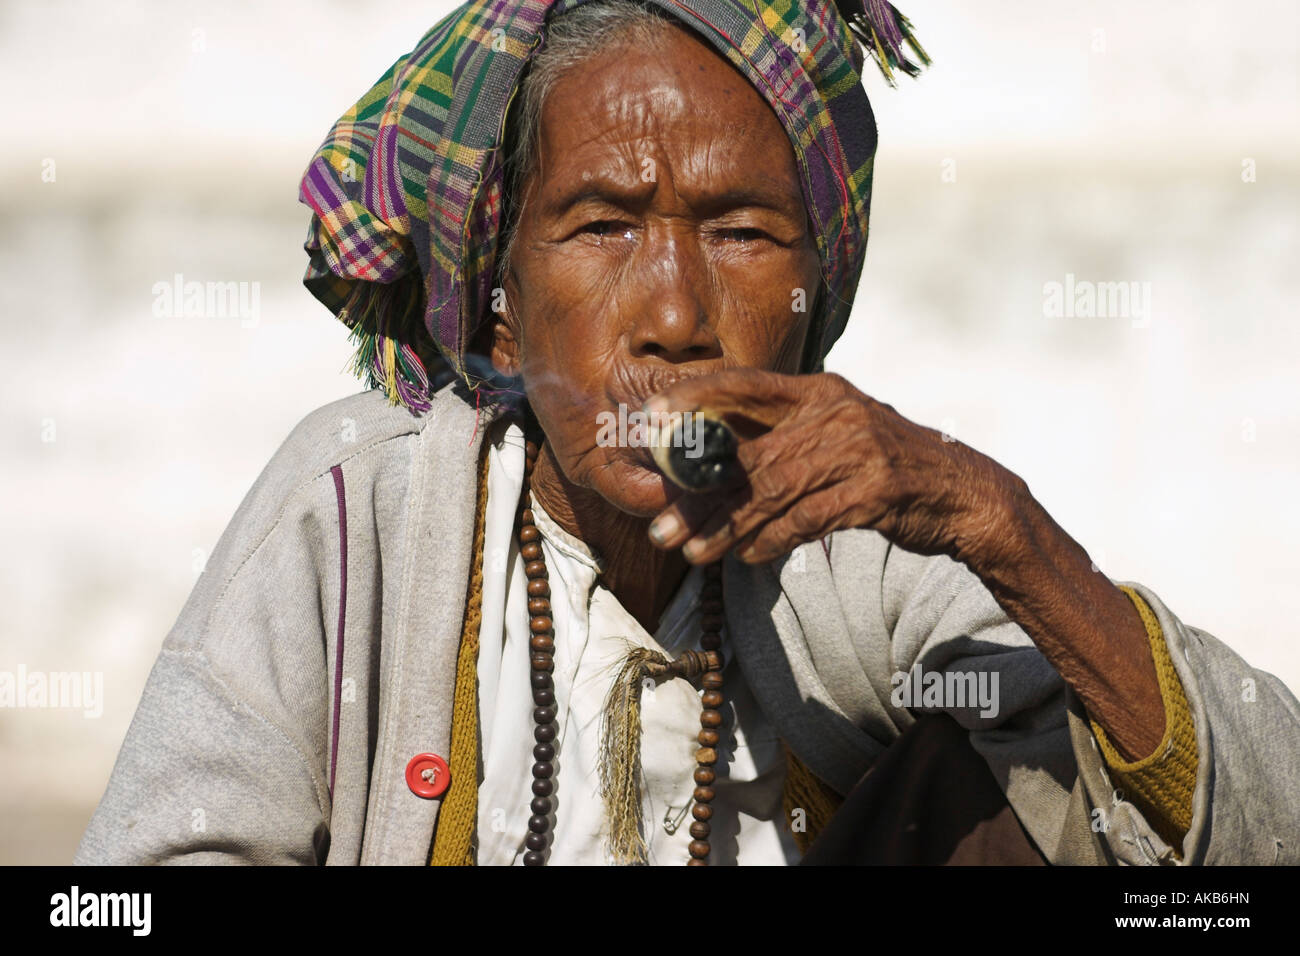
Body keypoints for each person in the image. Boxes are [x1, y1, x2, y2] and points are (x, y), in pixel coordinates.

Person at [75, 0, 1299, 866]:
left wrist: (996, 519)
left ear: (814, 300)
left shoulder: (859, 546)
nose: (671, 314)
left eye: (740, 233)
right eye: (603, 225)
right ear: (499, 310)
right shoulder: (358, 508)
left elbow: (1255, 830)